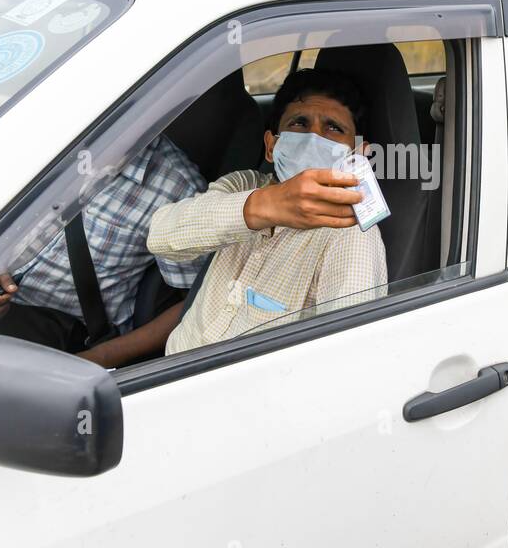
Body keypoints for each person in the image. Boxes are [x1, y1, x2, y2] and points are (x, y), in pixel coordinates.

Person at [149, 69, 387, 355]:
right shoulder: (244, 184)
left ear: (358, 155)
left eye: (333, 128)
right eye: (300, 123)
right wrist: (264, 206)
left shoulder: (350, 232)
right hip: (169, 367)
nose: (313, 137)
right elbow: (161, 237)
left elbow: (347, 353)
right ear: (271, 146)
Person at [0, 134, 207, 368]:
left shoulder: (177, 190)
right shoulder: (38, 139)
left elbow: (199, 302)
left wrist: (100, 357)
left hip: (69, 338)